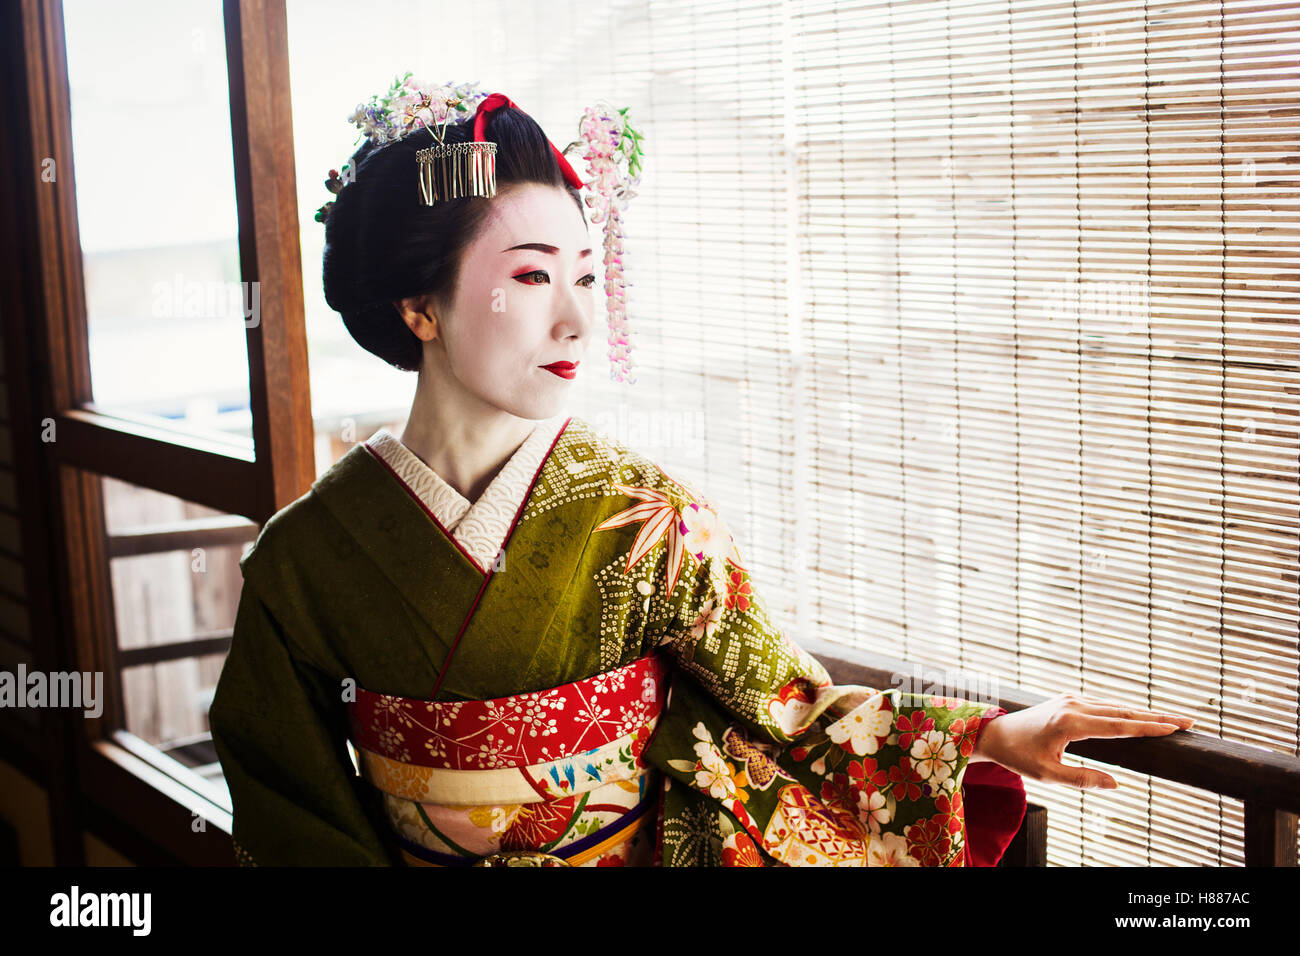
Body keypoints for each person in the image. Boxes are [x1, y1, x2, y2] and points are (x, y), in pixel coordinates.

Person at [208, 83, 1196, 867]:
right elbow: (282, 790)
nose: (576, 319)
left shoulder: (644, 514)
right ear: (418, 305)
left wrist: (983, 733)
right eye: (530, 274)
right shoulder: (306, 557)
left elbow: (787, 707)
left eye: (587, 275)